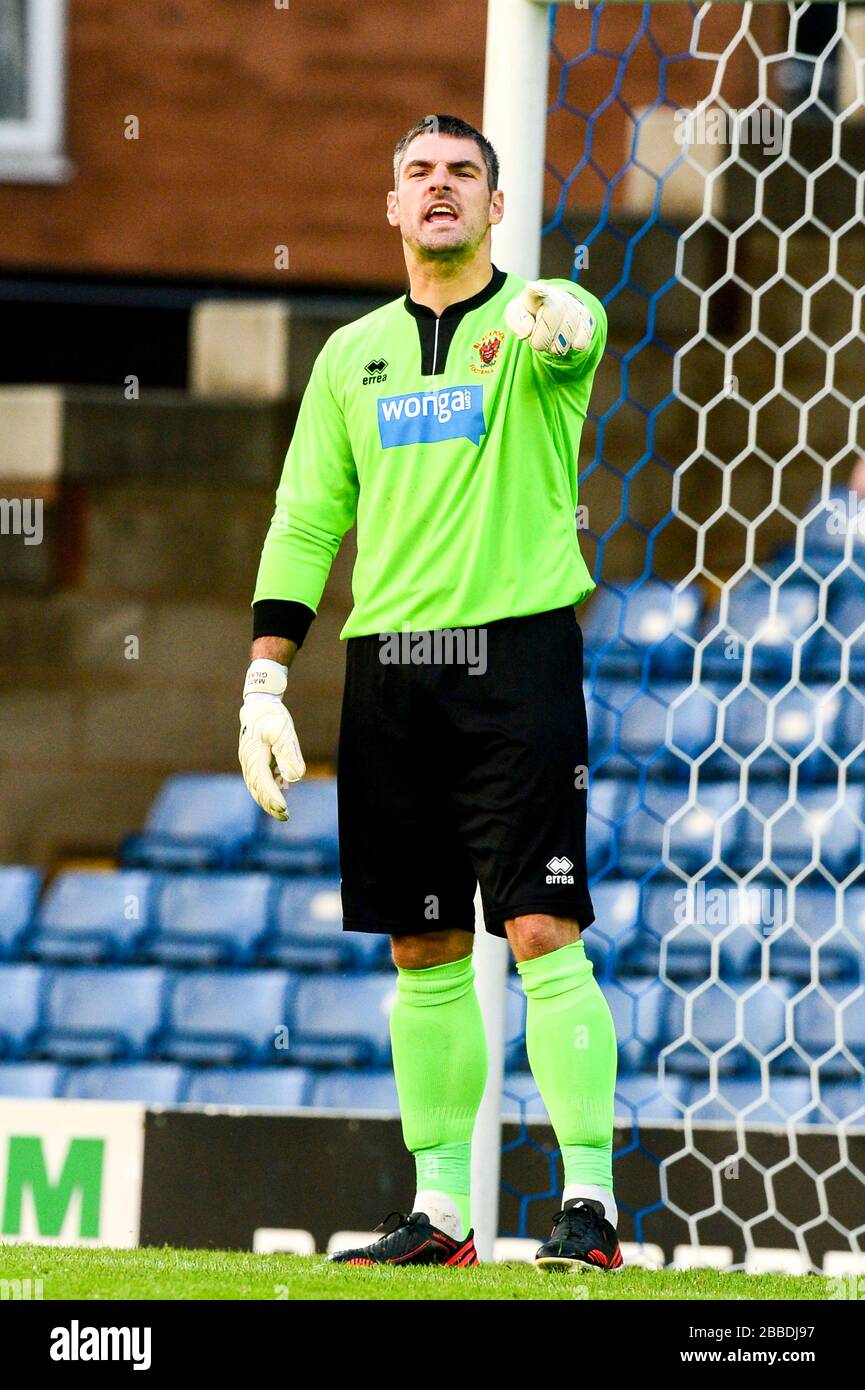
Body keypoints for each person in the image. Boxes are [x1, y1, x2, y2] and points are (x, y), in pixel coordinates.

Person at [239, 114, 620, 1272]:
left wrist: (556, 316)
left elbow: (574, 330)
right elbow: (309, 516)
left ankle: (590, 1206)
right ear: (393, 207)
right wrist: (265, 676)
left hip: (516, 656)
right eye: (419, 173)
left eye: (463, 173)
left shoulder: (536, 326)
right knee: (421, 944)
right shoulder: (349, 353)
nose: (440, 187)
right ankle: (441, 1212)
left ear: (496, 208)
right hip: (391, 666)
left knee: (541, 928)